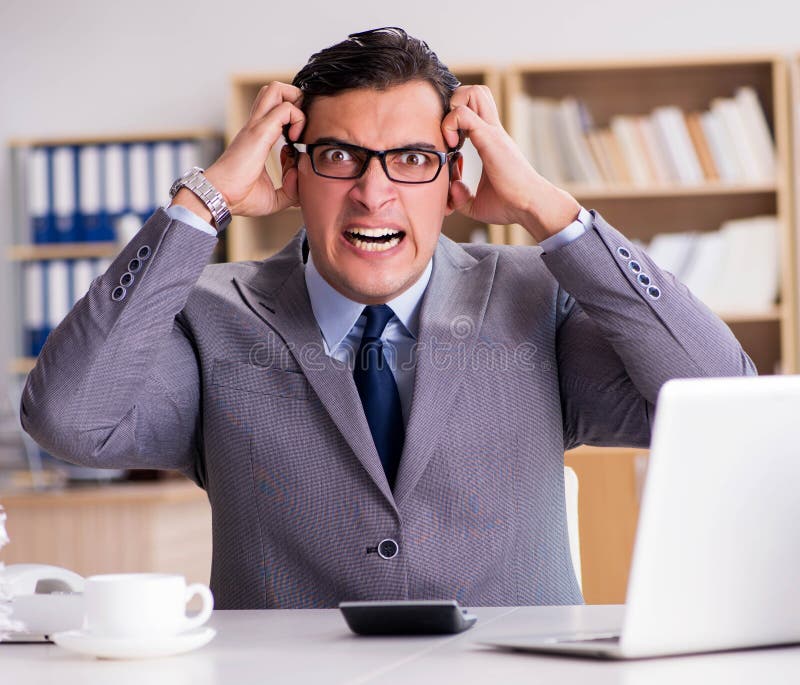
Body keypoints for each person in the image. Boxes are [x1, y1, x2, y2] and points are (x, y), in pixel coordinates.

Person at [21, 27, 754, 609]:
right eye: (339, 155)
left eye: (410, 158)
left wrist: (545, 208)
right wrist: (199, 202)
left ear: (454, 176)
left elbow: (722, 396)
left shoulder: (538, 299)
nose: (374, 194)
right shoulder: (209, 317)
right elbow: (67, 418)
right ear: (293, 171)